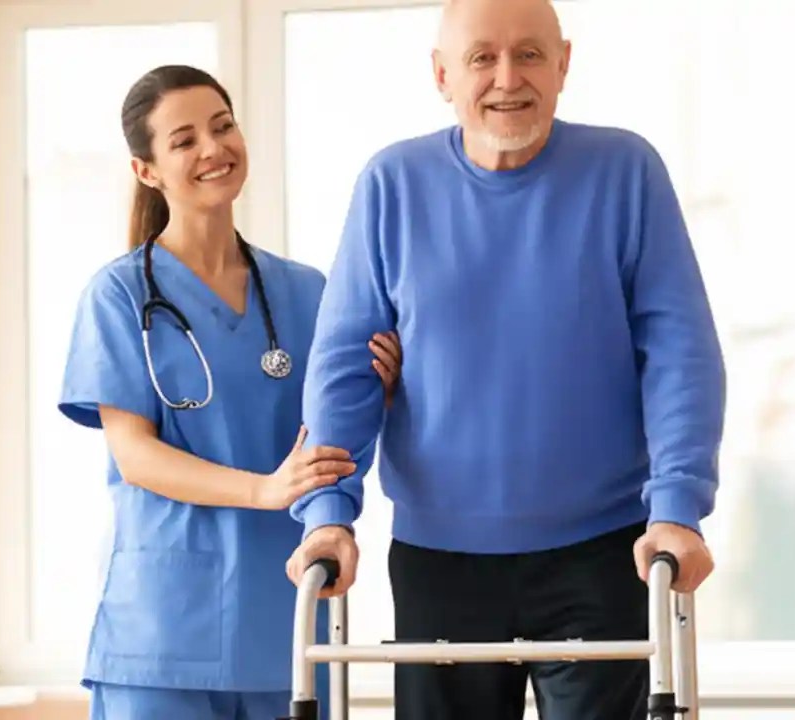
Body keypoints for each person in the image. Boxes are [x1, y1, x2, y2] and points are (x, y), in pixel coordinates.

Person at [283, 0, 727, 718]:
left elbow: (679, 350)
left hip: (602, 549)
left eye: (528, 54)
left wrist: (678, 506)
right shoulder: (393, 184)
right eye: (481, 57)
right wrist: (329, 514)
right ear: (441, 74)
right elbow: (345, 363)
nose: (506, 77)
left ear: (564, 64)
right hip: (441, 557)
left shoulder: (625, 171)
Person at [57, 65, 404, 720]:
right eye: (184, 140)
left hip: (288, 622)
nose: (213, 149)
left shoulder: (308, 293)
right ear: (147, 171)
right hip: (162, 633)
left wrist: (377, 399)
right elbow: (135, 456)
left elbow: (328, 441)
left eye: (222, 126)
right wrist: (264, 489)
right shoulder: (121, 296)